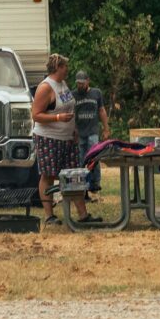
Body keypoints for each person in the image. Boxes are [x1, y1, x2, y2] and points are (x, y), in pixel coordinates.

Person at [30, 53, 87, 223]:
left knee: (73, 174)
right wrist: (57, 118)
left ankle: (83, 215)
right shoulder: (45, 87)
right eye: (65, 67)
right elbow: (36, 115)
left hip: (67, 138)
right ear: (57, 68)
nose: (67, 69)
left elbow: (69, 107)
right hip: (48, 138)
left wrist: (74, 129)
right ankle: (49, 215)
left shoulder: (63, 84)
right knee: (48, 175)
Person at [73, 70, 111, 161]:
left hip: (93, 132)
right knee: (81, 160)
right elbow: (71, 114)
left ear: (88, 81)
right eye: (78, 83)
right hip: (80, 133)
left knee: (94, 159)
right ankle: (83, 171)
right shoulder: (73, 95)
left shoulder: (96, 93)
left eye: (82, 83)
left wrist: (106, 129)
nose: (80, 85)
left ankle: (95, 171)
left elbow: (102, 111)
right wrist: (74, 130)